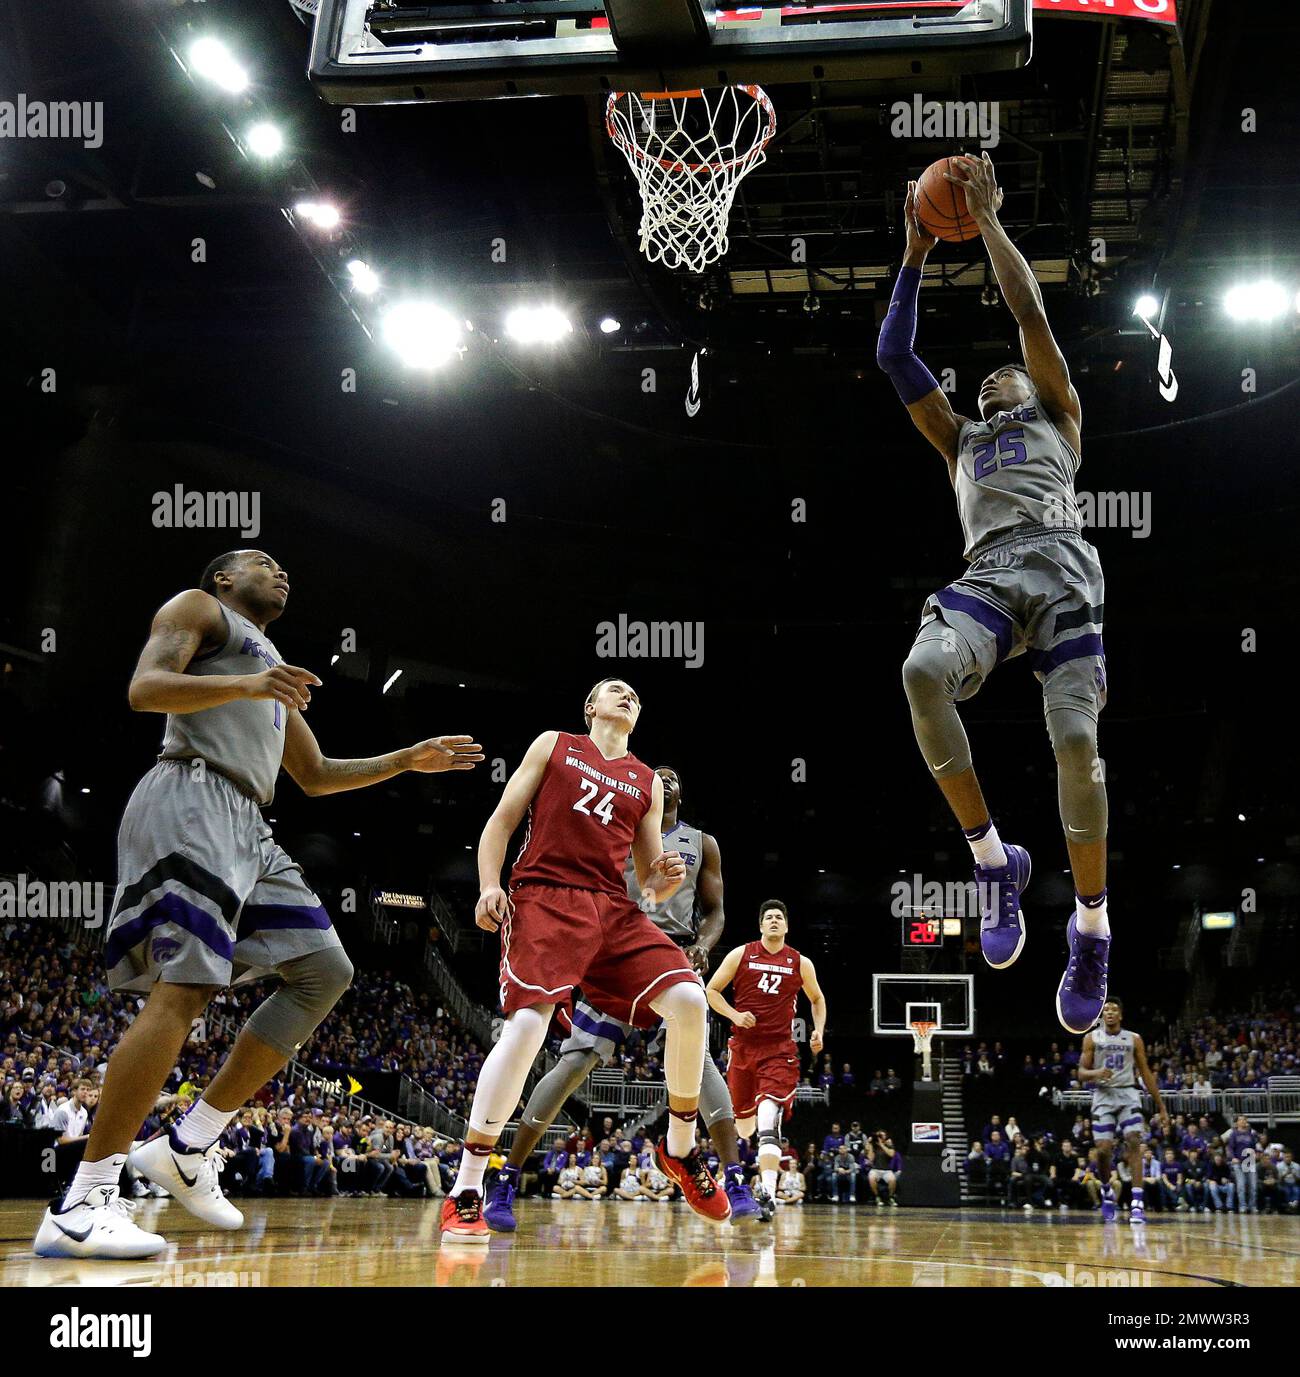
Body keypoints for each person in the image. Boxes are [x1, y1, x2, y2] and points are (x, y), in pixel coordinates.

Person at [34, 549, 481, 1260]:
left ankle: (188, 1145)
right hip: (192, 794)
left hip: (251, 823)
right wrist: (248, 683)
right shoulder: (199, 609)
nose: (282, 573)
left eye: (284, 569)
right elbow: (145, 689)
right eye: (264, 562)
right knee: (185, 987)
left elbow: (316, 774)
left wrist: (404, 759)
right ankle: (82, 1200)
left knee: (325, 970)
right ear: (223, 576)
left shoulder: (271, 667)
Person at [881, 154, 1111, 1034]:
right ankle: (991, 861)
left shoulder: (1058, 412)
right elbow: (894, 355)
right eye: (982, 381)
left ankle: (1091, 927)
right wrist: (915, 251)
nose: (990, 380)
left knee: (1077, 742)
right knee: (920, 673)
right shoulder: (959, 438)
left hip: (1061, 565)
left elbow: (1029, 314)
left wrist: (985, 221)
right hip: (987, 572)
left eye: (1001, 375)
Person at [442, 678, 727, 1242]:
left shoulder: (646, 781)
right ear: (591, 706)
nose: (629, 697)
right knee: (528, 1027)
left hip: (612, 909)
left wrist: (666, 879)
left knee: (690, 1000)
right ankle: (468, 1185)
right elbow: (502, 820)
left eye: (636, 696)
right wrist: (488, 884)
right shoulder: (554, 744)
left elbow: (650, 884)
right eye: (616, 690)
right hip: (544, 897)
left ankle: (678, 1148)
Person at [484, 764, 760, 1230]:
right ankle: (507, 1175)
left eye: (674, 776)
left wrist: (703, 946)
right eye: (658, 774)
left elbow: (716, 912)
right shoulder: (619, 821)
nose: (664, 778)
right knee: (574, 1063)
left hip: (671, 952)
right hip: (613, 948)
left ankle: (733, 1177)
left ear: (681, 792)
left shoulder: (702, 843)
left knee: (702, 1061)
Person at [707, 899, 827, 1210]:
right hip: (743, 1049)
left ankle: (768, 1194)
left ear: (787, 925)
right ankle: (745, 1176)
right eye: (769, 917)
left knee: (768, 1118)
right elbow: (711, 991)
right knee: (745, 1127)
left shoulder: (800, 962)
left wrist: (818, 1030)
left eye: (779, 917)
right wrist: (735, 1015)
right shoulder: (741, 954)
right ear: (761, 925)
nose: (774, 921)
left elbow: (817, 999)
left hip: (779, 1050)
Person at [1079, 997, 1168, 1225]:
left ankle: (1137, 1203)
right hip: (1103, 1094)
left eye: (1114, 1009)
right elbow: (1081, 1073)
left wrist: (1161, 1106)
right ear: (1102, 1015)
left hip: (1128, 1093)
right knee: (1103, 1150)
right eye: (1106, 1009)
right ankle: (1107, 1190)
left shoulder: (1134, 1039)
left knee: (1134, 1141)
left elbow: (1146, 1072)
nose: (1109, 1012)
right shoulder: (1091, 1038)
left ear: (1120, 1015)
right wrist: (1096, 1073)